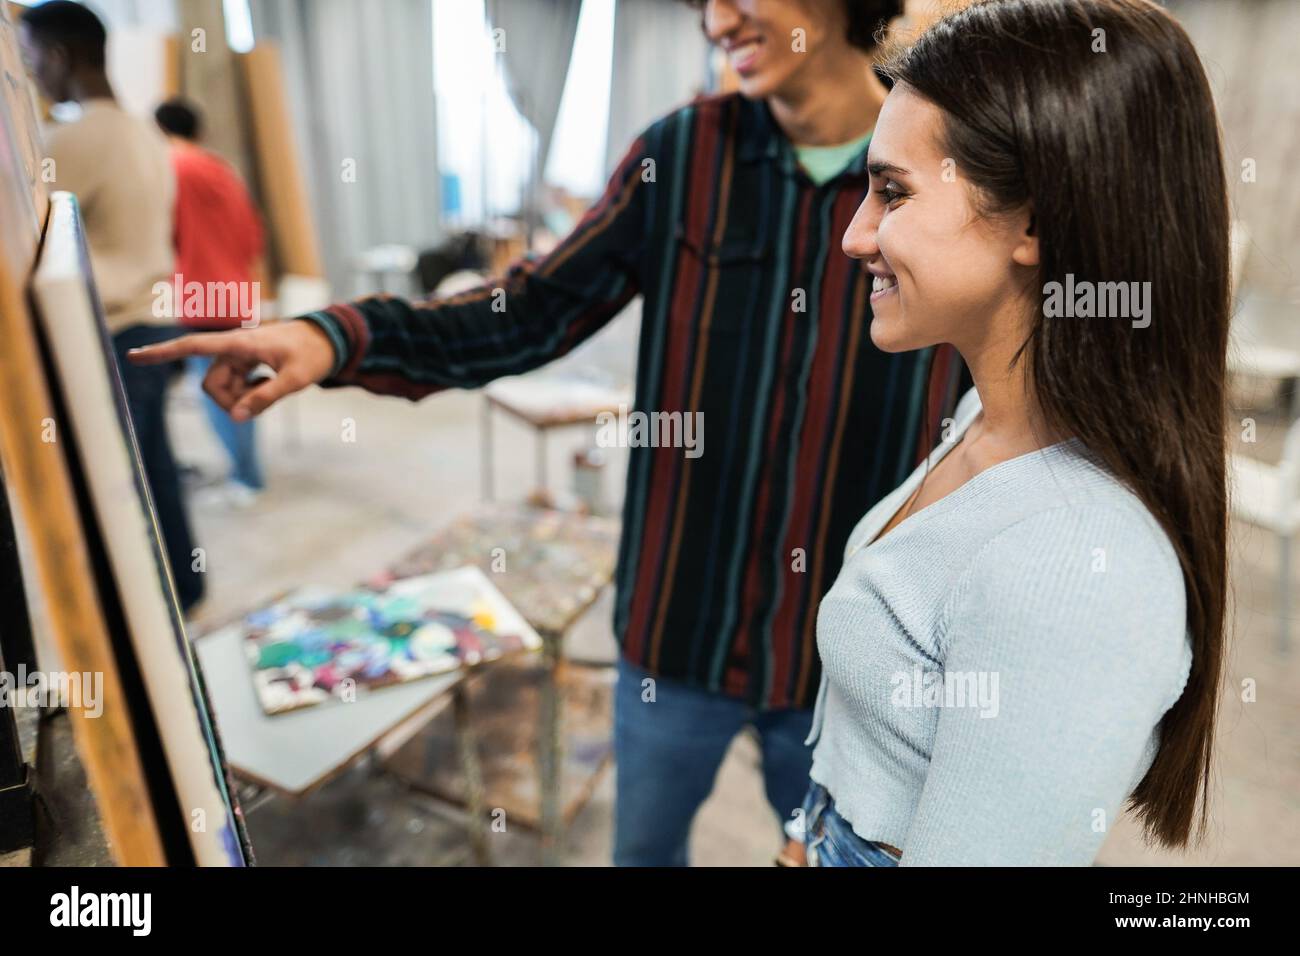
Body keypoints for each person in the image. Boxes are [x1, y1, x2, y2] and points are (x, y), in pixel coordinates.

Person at [130, 0, 970, 865]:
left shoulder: (950, 155)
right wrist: (336, 336)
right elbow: (529, 310)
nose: (716, 21)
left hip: (853, 653)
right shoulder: (681, 155)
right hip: (679, 633)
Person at [793, 0, 1228, 866]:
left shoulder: (1075, 565)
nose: (854, 237)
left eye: (892, 193)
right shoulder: (987, 422)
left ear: (1032, 218)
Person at [20, 0, 204, 612]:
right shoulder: (143, 130)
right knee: (154, 470)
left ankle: (149, 608)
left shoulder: (76, 138)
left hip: (118, 329)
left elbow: (23, 227)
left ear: (56, 56)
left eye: (28, 60)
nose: (29, 77)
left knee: (122, 485)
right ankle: (186, 588)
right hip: (156, 318)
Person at [155, 97, 267, 507]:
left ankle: (246, 478)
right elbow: (254, 235)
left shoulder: (171, 168)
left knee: (216, 388)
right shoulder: (221, 169)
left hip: (200, 296)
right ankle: (248, 472)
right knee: (236, 384)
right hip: (235, 292)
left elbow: (165, 236)